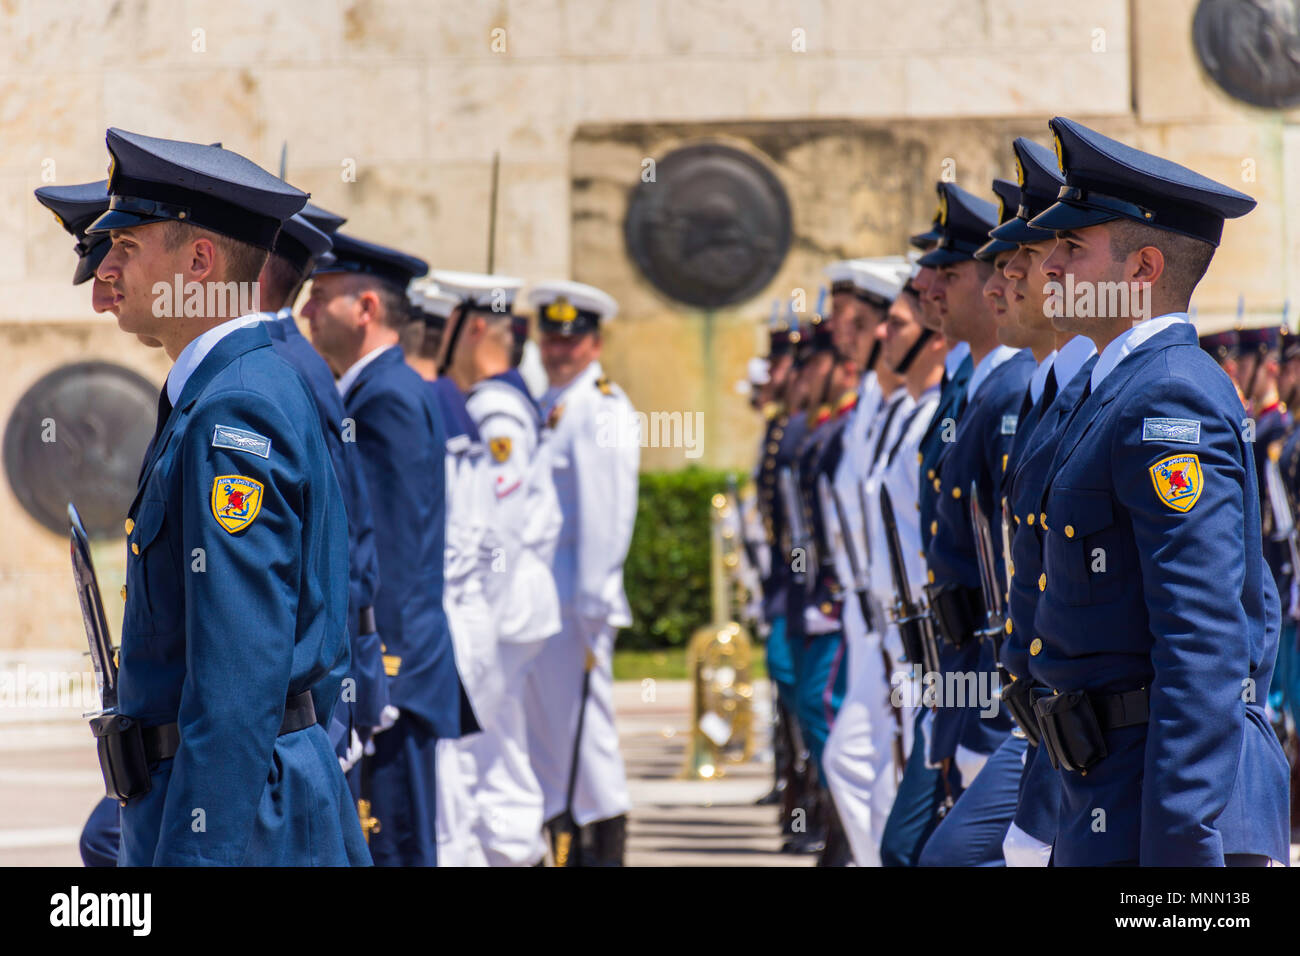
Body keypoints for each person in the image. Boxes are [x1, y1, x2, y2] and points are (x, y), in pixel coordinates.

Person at [85, 128, 367, 865]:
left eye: (127, 247)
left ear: (199, 263)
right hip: (248, 803)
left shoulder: (232, 410)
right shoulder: (229, 391)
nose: (105, 274)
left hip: (238, 820)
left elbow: (237, 675)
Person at [1027, 115, 1289, 866]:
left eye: (1073, 247)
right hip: (1108, 785)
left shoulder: (1165, 398)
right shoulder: (1111, 389)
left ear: (1142, 270)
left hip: (1163, 805)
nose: (1049, 265)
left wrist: (1182, 838)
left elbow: (1205, 636)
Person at [303, 231, 478, 866]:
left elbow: (395, 553)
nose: (306, 311)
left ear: (367, 308)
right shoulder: (381, 390)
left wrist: (382, 676)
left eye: (322, 297)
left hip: (397, 675)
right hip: (397, 671)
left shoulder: (387, 399)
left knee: (396, 847)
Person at [915, 180, 1033, 866]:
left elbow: (1015, 554)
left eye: (948, 272)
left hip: (991, 672)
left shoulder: (1011, 391)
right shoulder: (981, 386)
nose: (930, 287)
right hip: (959, 661)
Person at [435, 270, 563, 867]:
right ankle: (516, 849)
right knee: (498, 742)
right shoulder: (501, 400)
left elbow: (498, 528)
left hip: (502, 602)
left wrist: (473, 608)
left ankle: (511, 850)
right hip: (511, 603)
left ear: (476, 326)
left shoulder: (493, 407)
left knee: (484, 748)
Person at [526, 279, 640, 865]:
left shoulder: (601, 409)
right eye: (550, 337)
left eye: (572, 340)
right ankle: (568, 845)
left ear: (595, 344)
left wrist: (594, 604)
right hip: (552, 604)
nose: (558, 349)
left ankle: (602, 851)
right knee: (553, 740)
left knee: (585, 741)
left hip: (578, 607)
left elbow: (607, 515)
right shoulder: (554, 405)